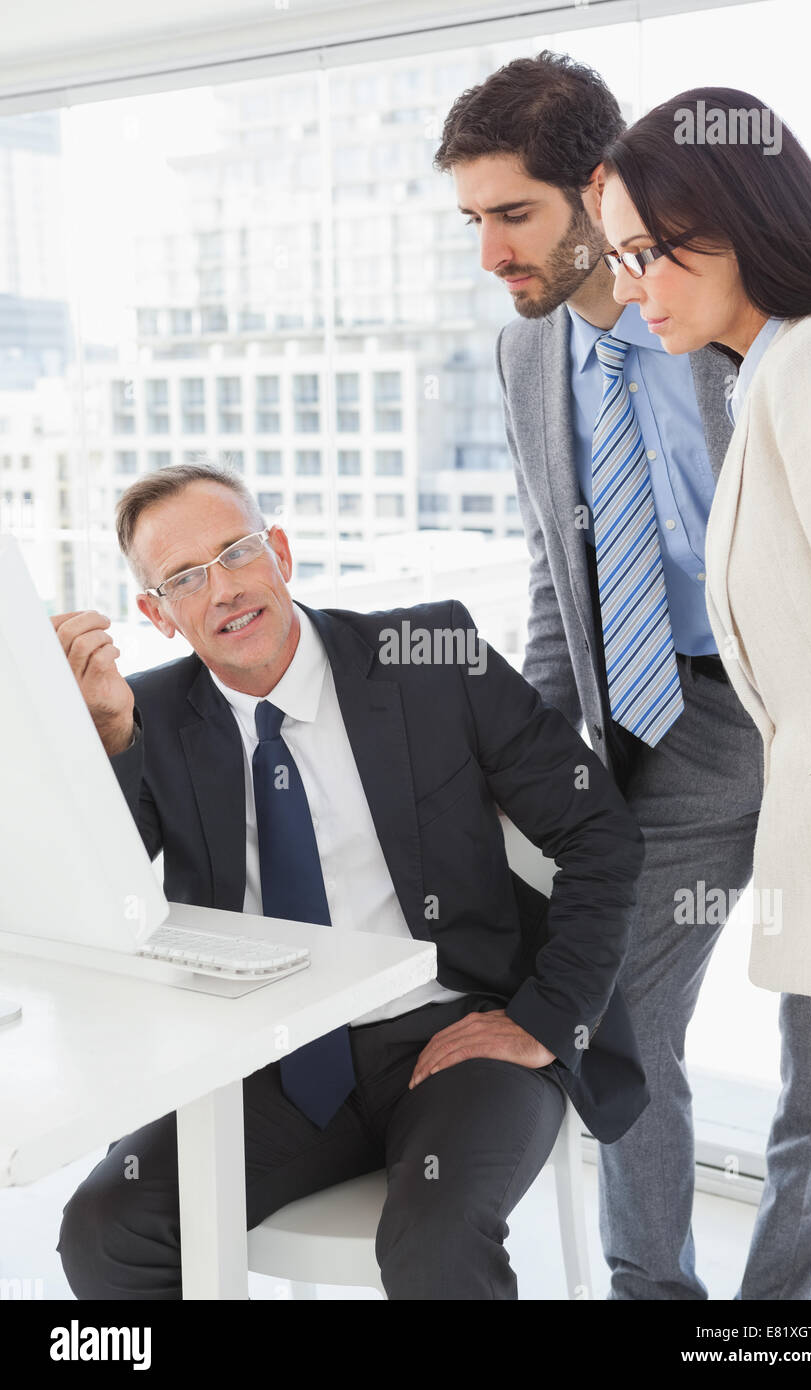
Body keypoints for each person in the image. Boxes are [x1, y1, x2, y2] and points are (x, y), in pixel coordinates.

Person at [53, 460, 648, 1301]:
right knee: (106, 1230)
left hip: (458, 1031)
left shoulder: (431, 655)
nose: (222, 589)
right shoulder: (146, 716)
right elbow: (94, 904)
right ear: (157, 614)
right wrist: (108, 738)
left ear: (282, 554)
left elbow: (599, 833)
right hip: (276, 1063)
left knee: (435, 1242)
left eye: (238, 552)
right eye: (185, 578)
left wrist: (544, 1021)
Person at [434, 52, 811, 1300]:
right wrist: (548, 769)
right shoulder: (525, 357)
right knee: (619, 1021)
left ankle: (783, 1309)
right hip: (677, 725)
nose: (491, 255)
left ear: (596, 193)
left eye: (513, 215)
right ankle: (650, 1294)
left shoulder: (756, 325)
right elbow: (558, 578)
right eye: (472, 222)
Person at [599, 85, 811, 1301]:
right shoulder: (761, 373)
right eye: (616, 259)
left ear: (741, 217)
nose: (630, 287)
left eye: (650, 253)